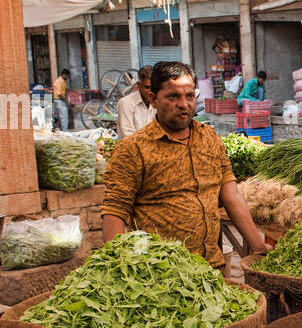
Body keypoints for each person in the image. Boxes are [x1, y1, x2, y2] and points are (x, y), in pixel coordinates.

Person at [101, 60, 270, 269]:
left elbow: (230, 195)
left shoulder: (209, 137)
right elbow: (115, 211)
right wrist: (120, 268)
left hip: (213, 268)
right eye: (173, 97)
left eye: (189, 96)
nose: (184, 104)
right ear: (153, 99)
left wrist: (257, 245)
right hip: (163, 274)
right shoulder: (133, 149)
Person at [115, 65, 154, 140]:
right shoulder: (125, 103)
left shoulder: (158, 102)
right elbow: (128, 136)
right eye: (147, 87)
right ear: (139, 85)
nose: (151, 91)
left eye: (154, 87)